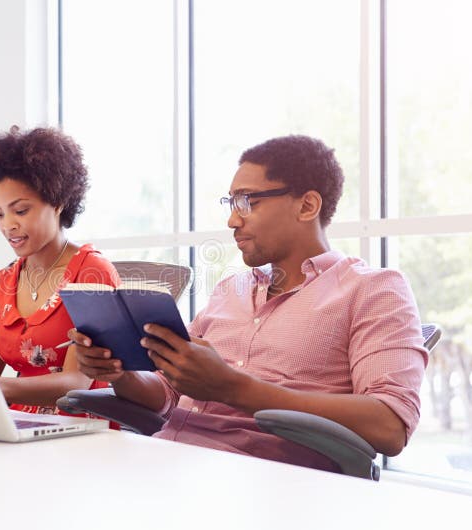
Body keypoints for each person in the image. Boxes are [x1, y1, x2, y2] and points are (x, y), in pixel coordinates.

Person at [72, 134, 428, 470]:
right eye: (231, 202)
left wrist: (234, 388)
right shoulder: (230, 290)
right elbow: (167, 393)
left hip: (264, 484)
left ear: (307, 205)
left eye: (248, 202)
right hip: (172, 462)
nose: (232, 219)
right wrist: (120, 375)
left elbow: (390, 425)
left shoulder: (373, 290)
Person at [0, 125, 119, 415]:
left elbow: (79, 381)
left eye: (21, 210)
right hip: (15, 424)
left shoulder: (91, 273)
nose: (7, 225)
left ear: (59, 201)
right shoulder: (3, 282)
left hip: (78, 428)